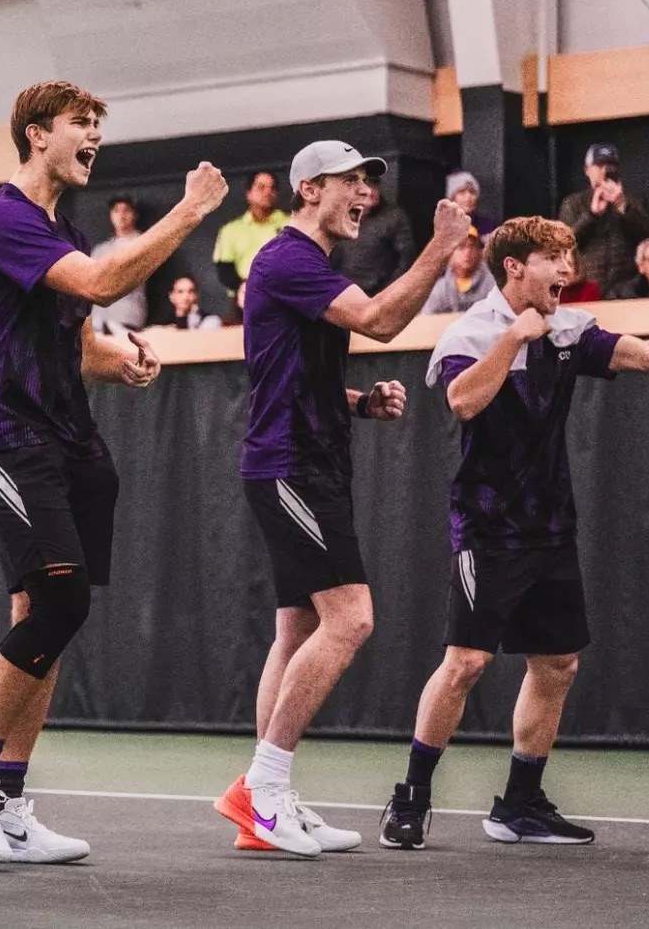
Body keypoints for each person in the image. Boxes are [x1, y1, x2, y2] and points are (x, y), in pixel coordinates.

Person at [0, 80, 225, 865]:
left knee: (48, 616)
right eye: (80, 125)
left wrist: (117, 357)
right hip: (7, 438)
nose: (94, 137)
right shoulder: (1, 217)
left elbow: (75, 329)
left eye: (100, 125)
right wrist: (187, 212)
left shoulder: (63, 226)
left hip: (70, 441)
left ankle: (9, 802)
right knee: (56, 601)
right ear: (35, 135)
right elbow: (99, 284)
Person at [381, 217, 649, 850]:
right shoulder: (467, 333)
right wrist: (515, 341)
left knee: (555, 663)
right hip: (485, 528)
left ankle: (520, 806)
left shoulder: (571, 330)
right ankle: (409, 800)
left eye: (570, 257)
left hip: (551, 529)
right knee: (466, 663)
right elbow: (463, 402)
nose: (567, 270)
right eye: (555, 258)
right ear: (515, 267)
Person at [215, 140, 472, 859]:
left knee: (297, 633)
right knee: (351, 619)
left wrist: (357, 402)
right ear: (308, 190)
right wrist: (441, 248)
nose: (364, 193)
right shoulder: (288, 258)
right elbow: (384, 320)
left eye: (369, 183)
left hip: (309, 459)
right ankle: (260, 791)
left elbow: (285, 374)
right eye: (349, 182)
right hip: (292, 469)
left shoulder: (308, 266)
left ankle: (267, 805)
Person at [558, 143, 649, 293]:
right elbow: (564, 243)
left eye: (610, 165)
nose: (604, 170)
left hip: (627, 288)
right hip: (586, 286)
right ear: (587, 170)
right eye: (598, 165)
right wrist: (591, 215)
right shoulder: (573, 203)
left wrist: (623, 207)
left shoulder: (635, 200)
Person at [329, 176, 416, 295]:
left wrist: (386, 293)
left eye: (374, 185)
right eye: (365, 185)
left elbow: (406, 261)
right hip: (342, 293)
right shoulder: (342, 216)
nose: (370, 191)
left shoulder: (395, 217)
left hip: (378, 295)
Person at [213, 170, 288, 300]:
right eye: (261, 187)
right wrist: (250, 288)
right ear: (248, 193)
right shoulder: (231, 230)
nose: (267, 192)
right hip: (245, 301)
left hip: (284, 297)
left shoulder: (291, 225)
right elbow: (225, 270)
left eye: (272, 188)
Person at [89, 195, 149, 335]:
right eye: (116, 211)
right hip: (99, 316)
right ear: (111, 215)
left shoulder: (142, 242)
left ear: (134, 215)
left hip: (127, 313)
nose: (121, 215)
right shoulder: (101, 249)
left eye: (126, 210)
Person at [421, 228, 495, 314]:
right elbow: (427, 320)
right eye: (461, 247)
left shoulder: (492, 284)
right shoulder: (441, 289)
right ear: (450, 253)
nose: (467, 252)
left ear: (480, 252)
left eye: (472, 246)